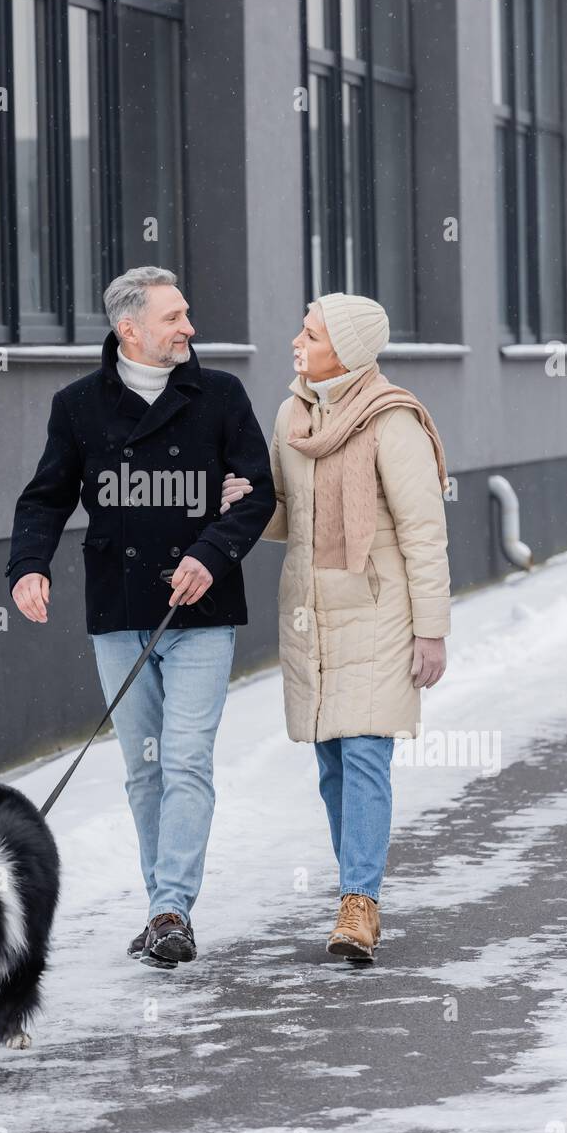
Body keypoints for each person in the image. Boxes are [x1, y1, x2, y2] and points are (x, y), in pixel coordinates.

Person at [8, 266, 277, 968]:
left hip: (201, 611)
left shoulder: (220, 395)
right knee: (143, 769)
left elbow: (257, 494)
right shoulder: (77, 407)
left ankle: (169, 909)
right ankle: (163, 904)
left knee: (185, 760)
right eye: (174, 317)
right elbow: (45, 498)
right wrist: (27, 566)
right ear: (130, 329)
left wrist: (211, 553)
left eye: (186, 314)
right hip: (120, 611)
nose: (188, 327)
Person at [222, 292, 451, 961]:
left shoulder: (392, 419)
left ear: (344, 349)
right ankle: (356, 891)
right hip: (311, 611)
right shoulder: (293, 413)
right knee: (330, 763)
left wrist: (430, 630)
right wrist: (240, 503)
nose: (296, 341)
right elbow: (287, 514)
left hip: (379, 609)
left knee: (364, 754)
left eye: (310, 332)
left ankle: (358, 904)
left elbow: (423, 533)